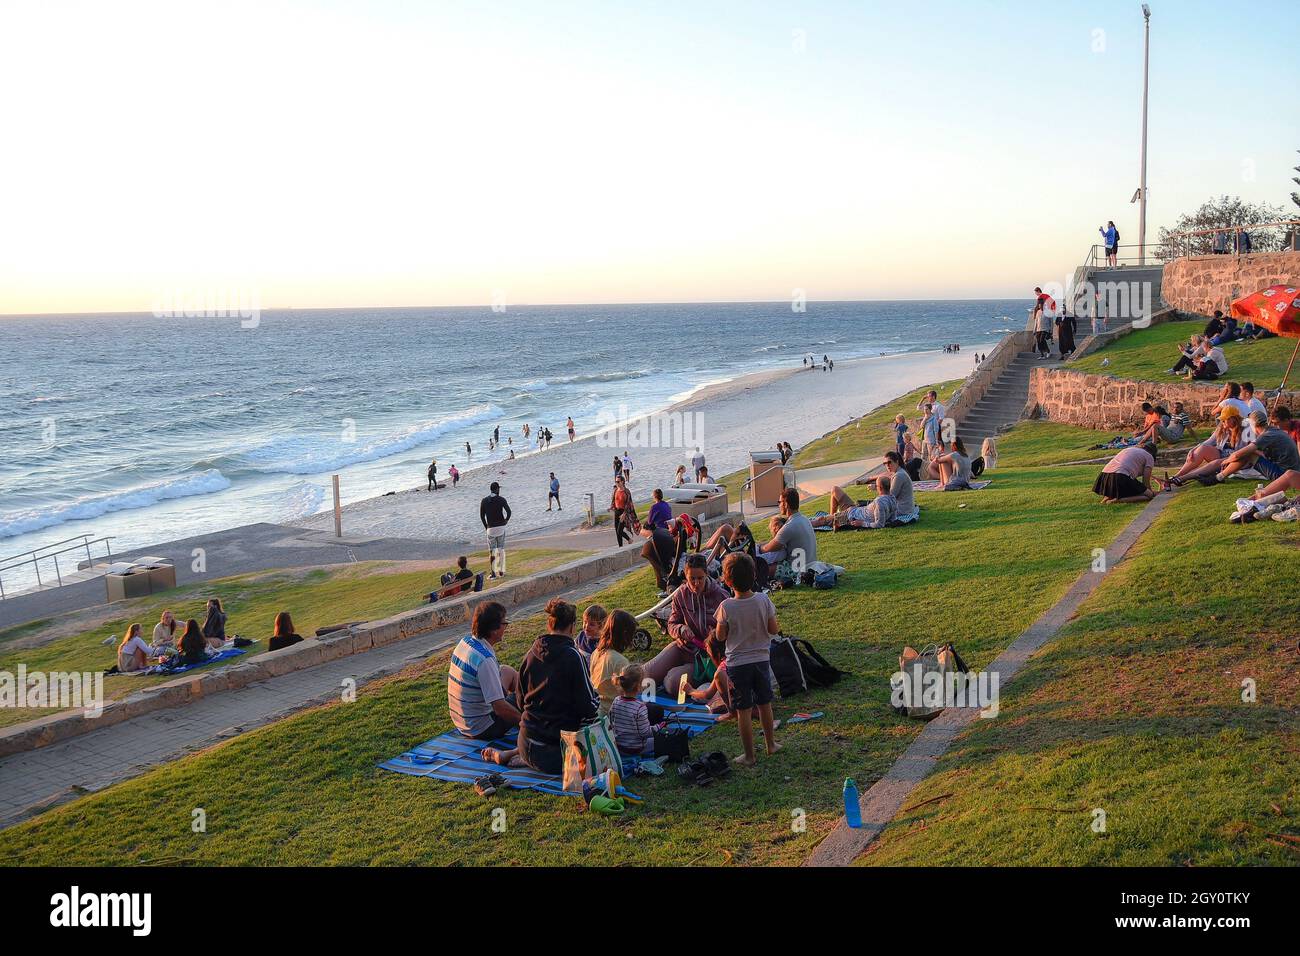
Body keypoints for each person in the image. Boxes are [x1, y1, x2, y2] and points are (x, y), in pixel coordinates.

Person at [513, 599, 598, 775]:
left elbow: (520, 701)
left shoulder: (531, 654)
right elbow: (589, 707)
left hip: (524, 742)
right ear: (572, 626)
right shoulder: (573, 657)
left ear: (549, 623)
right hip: (554, 753)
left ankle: (524, 758)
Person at [715, 553, 780, 767]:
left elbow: (720, 637)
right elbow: (773, 629)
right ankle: (771, 744)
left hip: (737, 665)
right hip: (761, 660)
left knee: (743, 710)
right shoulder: (763, 600)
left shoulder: (726, 607)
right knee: (764, 704)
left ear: (726, 580)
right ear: (754, 575)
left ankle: (749, 755)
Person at [449, 602, 522, 762]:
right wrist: (524, 722)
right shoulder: (485, 660)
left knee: (507, 671)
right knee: (523, 694)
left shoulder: (466, 643)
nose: (506, 627)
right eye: (504, 623)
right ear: (494, 629)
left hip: (462, 722)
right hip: (482, 727)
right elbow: (500, 708)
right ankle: (534, 728)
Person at [645, 553, 726, 696]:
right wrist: (681, 629)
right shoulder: (681, 594)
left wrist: (714, 638)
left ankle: (690, 675)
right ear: (685, 575)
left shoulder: (721, 596)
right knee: (647, 674)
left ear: (707, 574)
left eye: (700, 578)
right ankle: (631, 700)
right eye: (691, 579)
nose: (696, 583)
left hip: (708, 657)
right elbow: (672, 624)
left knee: (672, 683)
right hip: (684, 647)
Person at [1211, 410, 1300, 486]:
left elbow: (1238, 455)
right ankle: (1218, 477)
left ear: (1253, 425)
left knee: (1248, 454)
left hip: (1284, 475)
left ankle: (1218, 477)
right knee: (1249, 453)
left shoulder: (1266, 435)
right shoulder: (1273, 431)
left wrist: (1226, 461)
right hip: (1291, 472)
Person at [1162, 409, 1246, 488]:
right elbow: (1209, 441)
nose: (1222, 422)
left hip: (1233, 458)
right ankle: (1178, 475)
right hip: (1221, 453)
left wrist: (1227, 460)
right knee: (1202, 448)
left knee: (1216, 462)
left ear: (1233, 419)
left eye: (1225, 420)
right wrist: (1193, 450)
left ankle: (1183, 478)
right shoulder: (1222, 428)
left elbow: (1239, 454)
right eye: (1222, 420)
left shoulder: (1243, 431)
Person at [589, 608, 636, 716]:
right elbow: (629, 695)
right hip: (612, 713)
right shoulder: (620, 661)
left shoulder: (596, 652)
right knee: (654, 710)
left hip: (598, 708)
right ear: (625, 634)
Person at [760, 487, 817, 567]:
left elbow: (768, 548)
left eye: (780, 502)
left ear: (786, 504)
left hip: (799, 571)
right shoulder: (804, 519)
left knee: (767, 567)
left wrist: (759, 548)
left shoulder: (789, 526)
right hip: (812, 564)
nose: (779, 505)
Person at [812, 478, 897, 529]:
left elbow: (879, 524)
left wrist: (862, 524)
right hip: (854, 509)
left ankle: (803, 525)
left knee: (820, 520)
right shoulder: (892, 498)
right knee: (835, 489)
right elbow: (893, 519)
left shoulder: (879, 502)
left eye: (876, 485)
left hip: (849, 517)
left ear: (880, 488)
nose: (875, 487)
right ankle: (832, 517)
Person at [610, 664, 656, 757]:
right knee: (660, 739)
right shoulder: (640, 707)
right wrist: (658, 727)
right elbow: (645, 733)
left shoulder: (616, 701)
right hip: (635, 749)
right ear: (638, 685)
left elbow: (611, 721)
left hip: (619, 746)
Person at [862, 451, 916, 516]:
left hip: (902, 510)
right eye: (885, 463)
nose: (887, 465)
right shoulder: (899, 472)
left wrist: (876, 487)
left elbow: (889, 497)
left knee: (867, 512)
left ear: (897, 462)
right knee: (867, 506)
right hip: (905, 508)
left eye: (889, 462)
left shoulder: (899, 475)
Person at [480, 481, 511, 579]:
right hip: (501, 527)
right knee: (500, 549)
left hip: (491, 529)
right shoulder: (501, 499)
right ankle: (501, 572)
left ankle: (493, 573)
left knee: (492, 552)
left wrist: (486, 527)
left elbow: (482, 516)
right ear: (497, 489)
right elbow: (509, 512)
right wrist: (506, 521)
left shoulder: (484, 500)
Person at [610, 477, 634, 547]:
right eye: (616, 482)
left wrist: (624, 514)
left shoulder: (626, 491)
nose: (616, 483)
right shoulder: (615, 490)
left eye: (618, 481)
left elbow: (628, 503)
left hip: (624, 512)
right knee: (617, 531)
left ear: (623, 482)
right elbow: (614, 500)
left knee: (619, 531)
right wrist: (611, 507)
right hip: (617, 511)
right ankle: (620, 547)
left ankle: (629, 539)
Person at [1032, 288, 1055, 358]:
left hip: (1045, 329)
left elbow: (1051, 322)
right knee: (1039, 342)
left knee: (1042, 340)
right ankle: (1042, 354)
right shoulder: (1038, 312)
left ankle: (1048, 351)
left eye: (1041, 304)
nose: (1039, 306)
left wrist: (1051, 331)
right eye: (1039, 305)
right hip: (1038, 329)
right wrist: (1034, 330)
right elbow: (1036, 322)